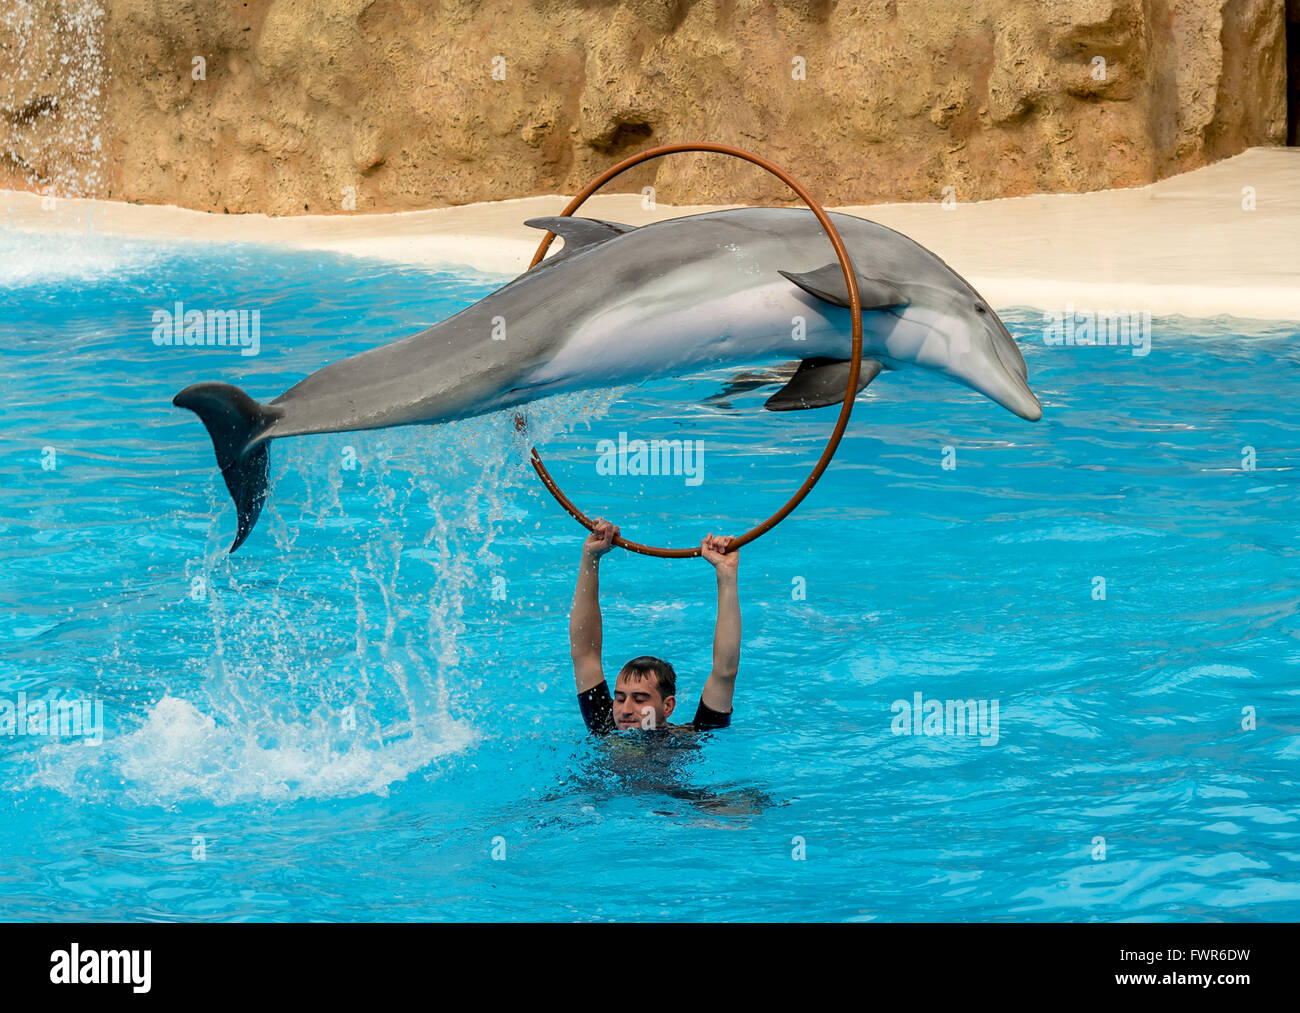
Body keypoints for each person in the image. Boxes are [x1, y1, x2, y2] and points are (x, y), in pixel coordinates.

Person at [569, 519, 739, 735]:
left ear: (667, 706)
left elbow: (725, 671)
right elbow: (584, 653)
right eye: (619, 698)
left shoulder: (688, 742)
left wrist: (726, 575)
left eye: (640, 699)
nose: (625, 710)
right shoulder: (606, 726)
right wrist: (590, 558)